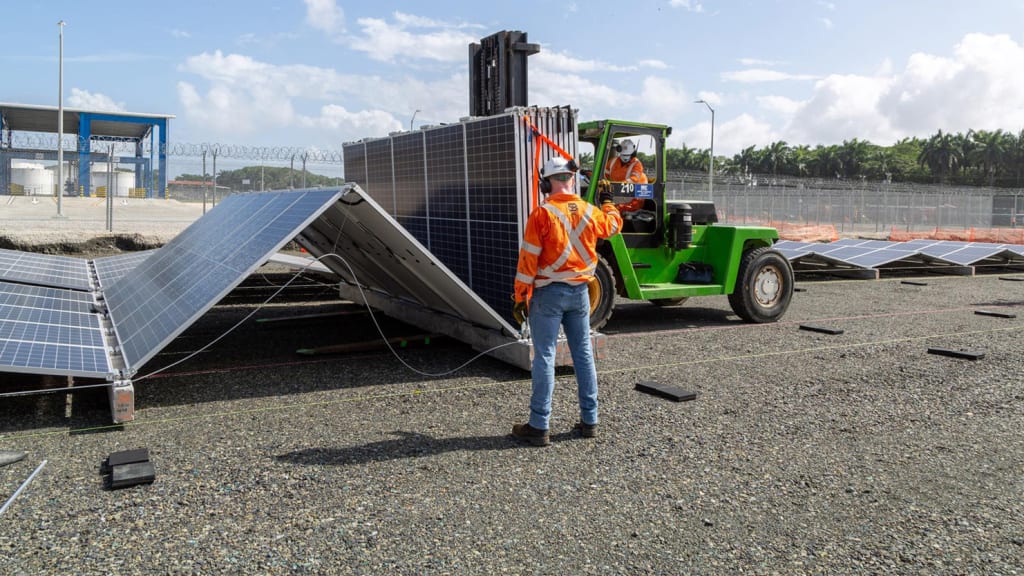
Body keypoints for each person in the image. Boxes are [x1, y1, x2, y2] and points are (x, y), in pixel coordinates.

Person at [510, 156, 623, 446]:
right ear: (570, 180)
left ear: (546, 182)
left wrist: (521, 297)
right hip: (580, 293)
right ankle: (590, 421)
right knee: (582, 353)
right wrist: (608, 201)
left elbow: (527, 261)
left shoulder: (542, 214)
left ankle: (539, 426)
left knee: (545, 356)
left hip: (548, 294)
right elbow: (612, 226)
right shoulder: (590, 211)